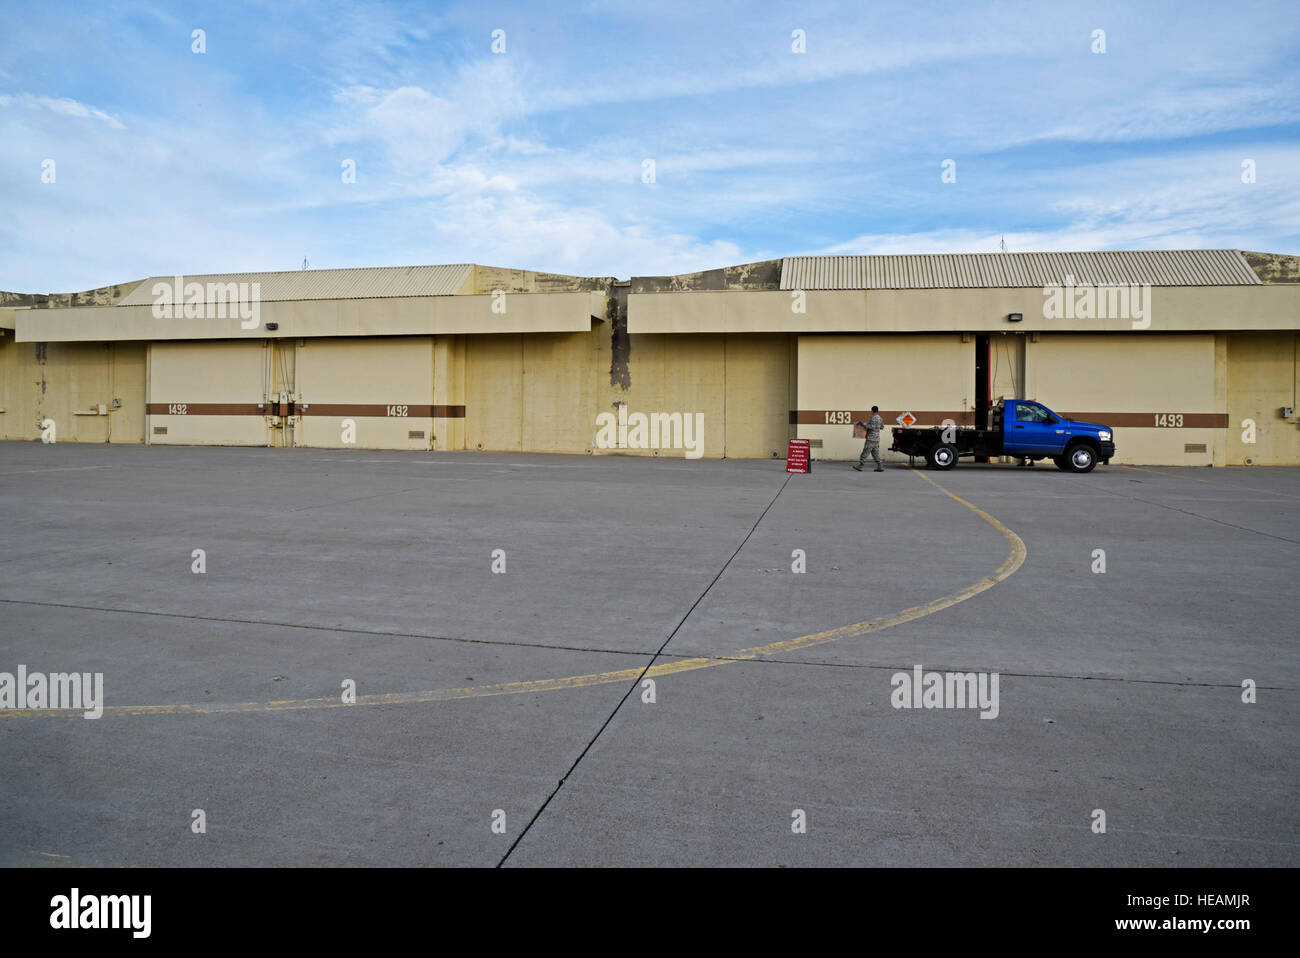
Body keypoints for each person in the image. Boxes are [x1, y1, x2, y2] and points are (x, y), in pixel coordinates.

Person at [853, 406, 885, 472]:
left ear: (872, 411)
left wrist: (863, 424)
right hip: (877, 438)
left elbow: (870, 426)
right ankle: (880, 466)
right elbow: (882, 427)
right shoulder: (880, 418)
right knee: (875, 453)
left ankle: (860, 466)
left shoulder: (873, 418)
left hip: (871, 438)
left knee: (865, 451)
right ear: (877, 411)